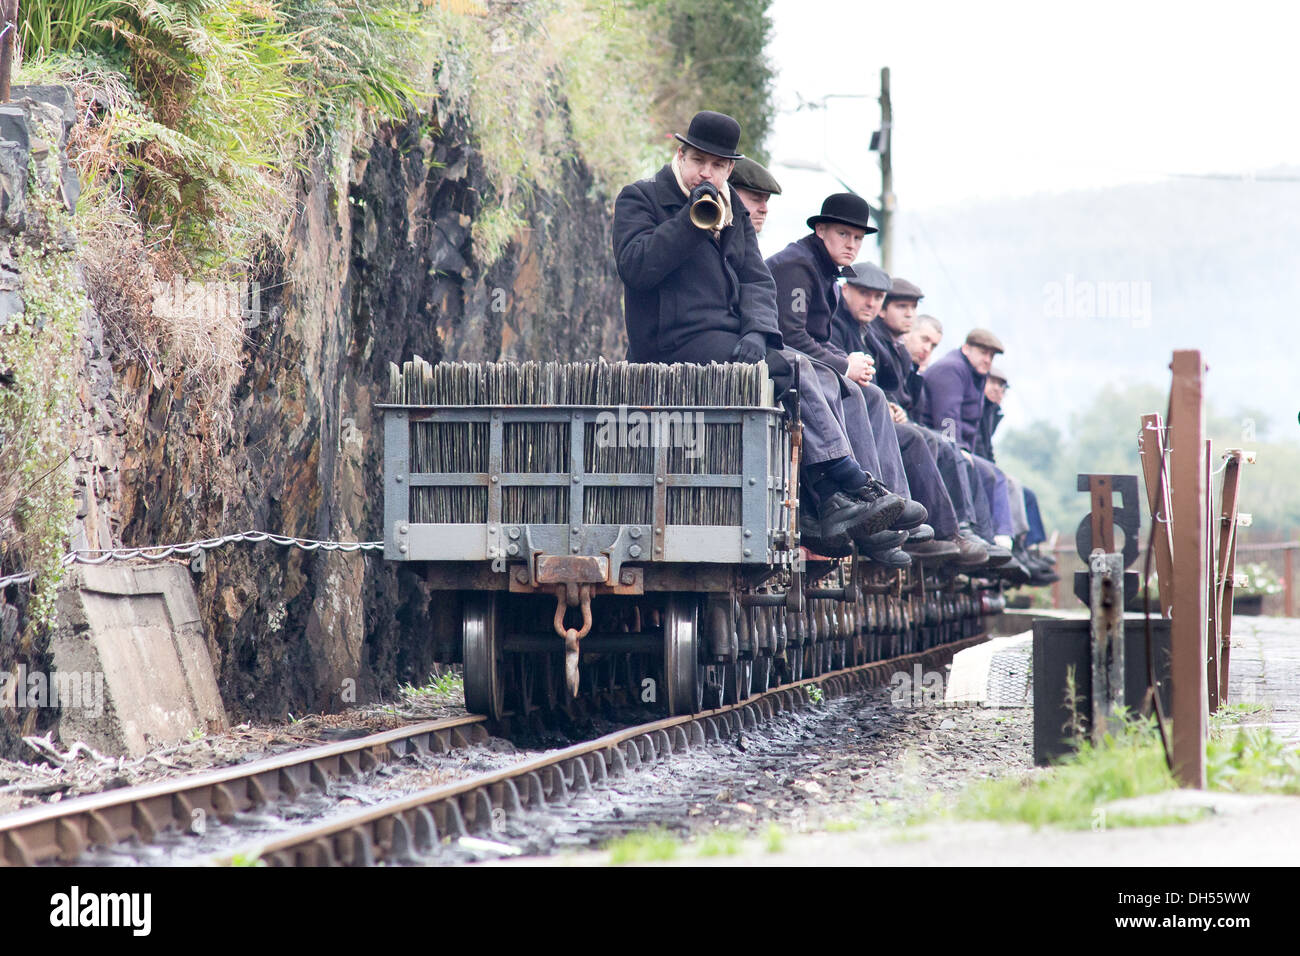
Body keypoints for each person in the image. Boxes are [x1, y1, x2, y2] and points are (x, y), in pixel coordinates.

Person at [613, 112, 901, 544]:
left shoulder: (734, 213)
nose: (706, 174)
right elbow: (637, 268)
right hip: (670, 341)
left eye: (718, 166)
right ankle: (841, 484)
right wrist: (690, 221)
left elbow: (757, 281)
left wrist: (758, 332)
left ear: (730, 169)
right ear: (680, 155)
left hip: (728, 336)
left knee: (819, 375)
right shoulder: (641, 198)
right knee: (792, 370)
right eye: (699, 163)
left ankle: (833, 505)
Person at [763, 194, 932, 566]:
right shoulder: (797, 265)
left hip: (802, 361)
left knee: (868, 394)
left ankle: (885, 506)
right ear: (820, 230)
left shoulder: (823, 270)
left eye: (858, 238)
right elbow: (790, 336)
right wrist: (843, 365)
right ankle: (861, 499)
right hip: (776, 361)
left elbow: (813, 341)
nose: (851, 244)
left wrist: (843, 366)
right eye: (843, 234)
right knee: (854, 389)